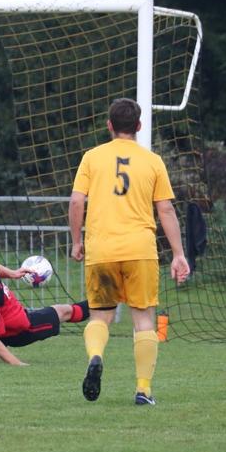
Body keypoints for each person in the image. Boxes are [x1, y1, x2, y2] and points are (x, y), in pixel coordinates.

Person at [68, 98, 190, 406]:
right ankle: (143, 389)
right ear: (138, 126)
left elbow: (76, 201)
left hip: (102, 248)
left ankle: (96, 356)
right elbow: (165, 209)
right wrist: (178, 253)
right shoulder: (152, 161)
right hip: (140, 250)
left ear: (109, 125)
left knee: (100, 316)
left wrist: (77, 241)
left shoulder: (92, 158)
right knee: (143, 319)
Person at [0, 234, 89, 366]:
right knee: (64, 311)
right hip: (21, 329)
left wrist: (12, 273)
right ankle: (102, 304)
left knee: (61, 310)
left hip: (7, 317)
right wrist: (18, 364)